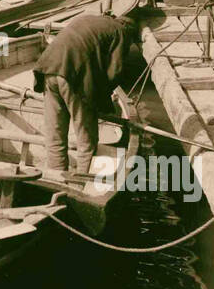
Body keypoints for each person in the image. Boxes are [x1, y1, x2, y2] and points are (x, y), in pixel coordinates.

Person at [34, 12, 141, 177]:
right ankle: (81, 181)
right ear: (130, 31)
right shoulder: (121, 32)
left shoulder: (89, 18)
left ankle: (55, 177)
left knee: (55, 134)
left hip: (48, 69)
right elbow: (115, 72)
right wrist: (103, 101)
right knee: (86, 139)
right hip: (73, 79)